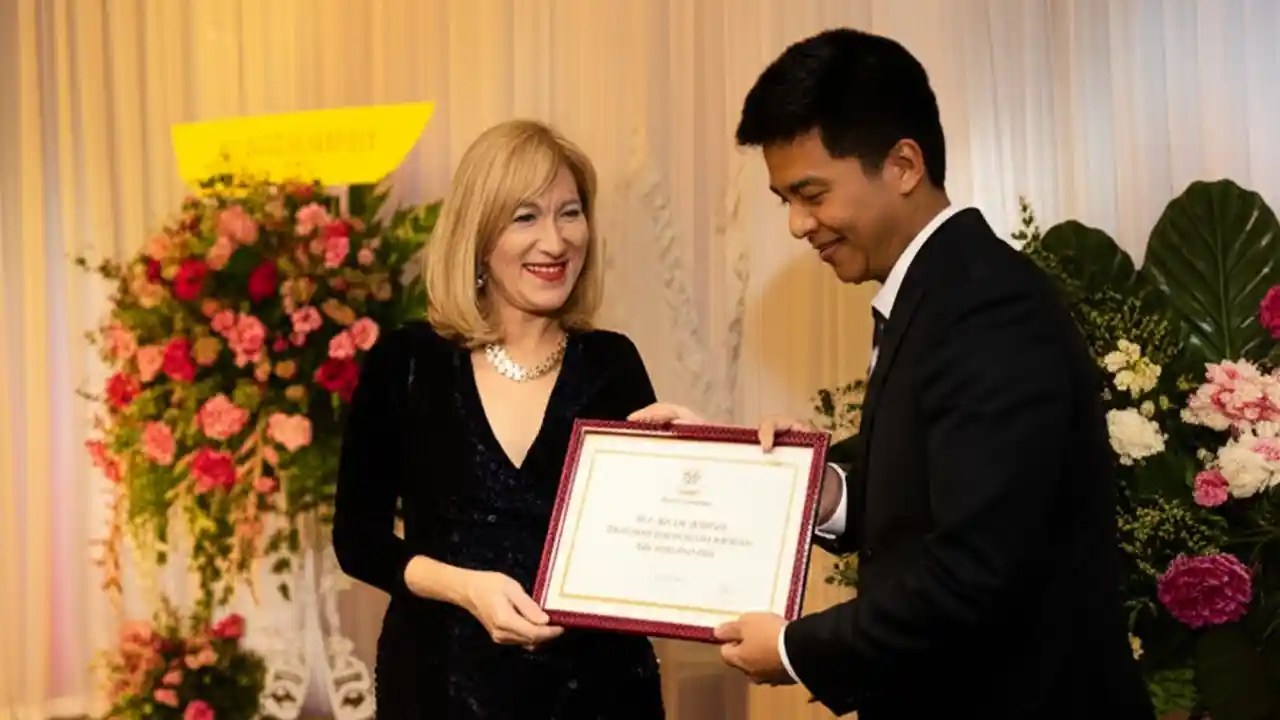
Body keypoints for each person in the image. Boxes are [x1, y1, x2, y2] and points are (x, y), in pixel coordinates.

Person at [631, 28, 1154, 719]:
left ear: (904, 165)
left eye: (812, 194)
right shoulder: (942, 290)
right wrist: (799, 484)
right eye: (785, 200)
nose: (797, 225)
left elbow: (974, 570)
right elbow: (926, 491)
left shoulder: (986, 307)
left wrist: (793, 647)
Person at [334, 119, 665, 719]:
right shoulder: (407, 362)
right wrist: (465, 587)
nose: (556, 241)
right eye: (525, 217)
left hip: (600, 693)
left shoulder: (612, 363)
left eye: (570, 213)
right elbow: (358, 540)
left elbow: (650, 546)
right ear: (479, 236)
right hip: (438, 688)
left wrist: (697, 461)